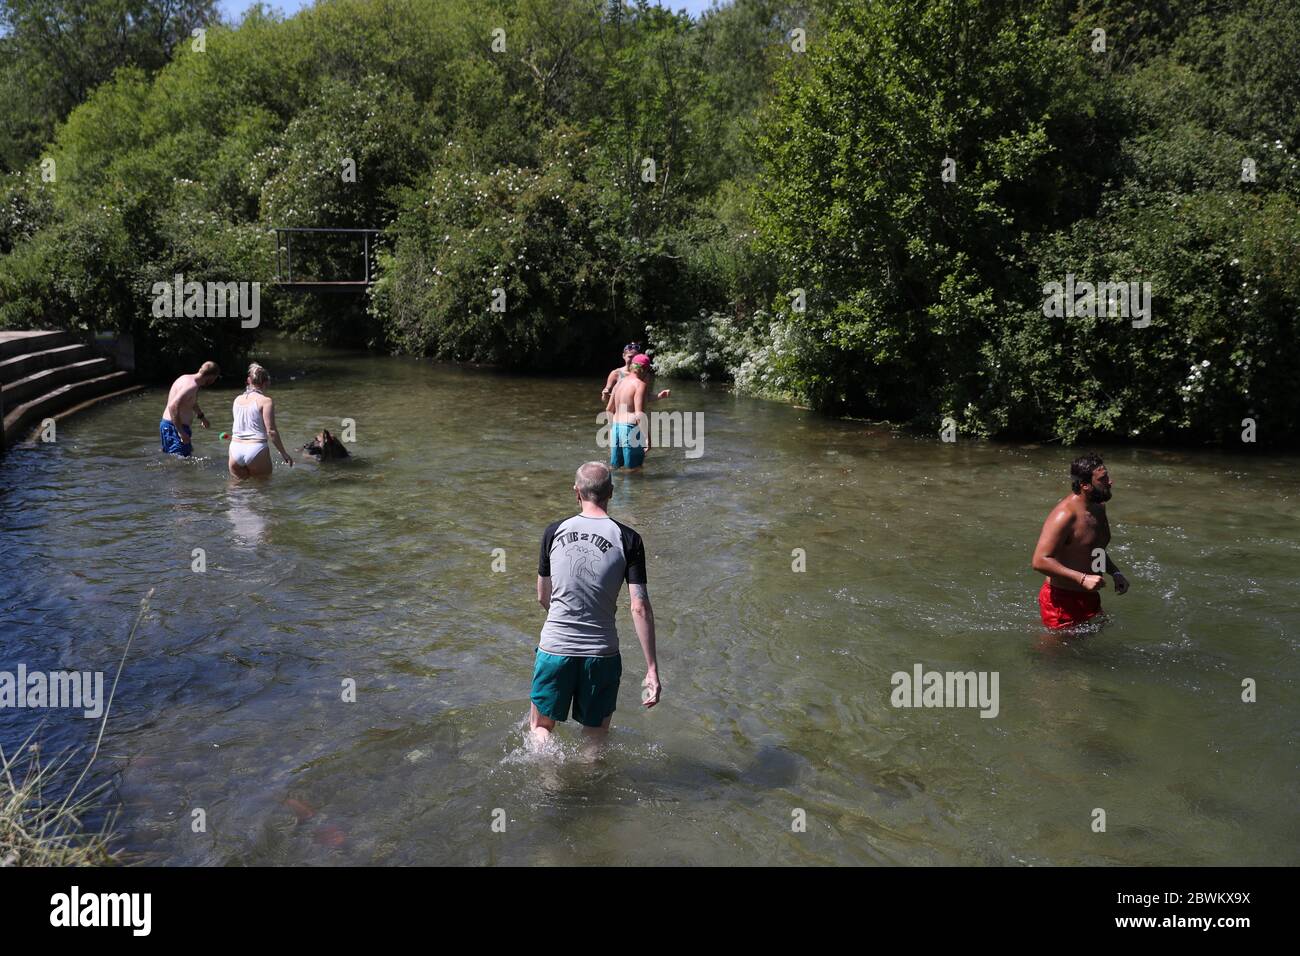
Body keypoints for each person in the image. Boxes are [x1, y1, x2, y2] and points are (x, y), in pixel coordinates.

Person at [530, 461, 661, 750]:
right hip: (601, 654)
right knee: (595, 737)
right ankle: (590, 792)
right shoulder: (629, 539)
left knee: (541, 728)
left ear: (576, 492)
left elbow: (543, 597)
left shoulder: (553, 532)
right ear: (611, 492)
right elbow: (639, 606)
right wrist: (651, 668)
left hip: (555, 649)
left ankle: (548, 787)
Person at [1031, 453, 1130, 629]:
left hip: (1089, 596)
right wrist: (1082, 578)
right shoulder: (1065, 516)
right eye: (1103, 479)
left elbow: (1095, 548)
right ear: (1085, 485)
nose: (1110, 481)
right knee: (1057, 655)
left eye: (1107, 476)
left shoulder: (1099, 507)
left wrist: (1115, 573)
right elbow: (1040, 561)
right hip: (1061, 601)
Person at [227, 363, 293, 478]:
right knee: (262, 491)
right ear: (266, 382)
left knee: (236, 490)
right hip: (256, 448)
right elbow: (271, 431)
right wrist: (283, 453)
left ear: (248, 380)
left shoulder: (237, 400)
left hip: (235, 448)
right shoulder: (266, 401)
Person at [160, 361, 220, 457]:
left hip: (168, 425)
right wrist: (181, 432)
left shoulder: (185, 378)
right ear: (212, 377)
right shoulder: (191, 386)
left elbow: (191, 402)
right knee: (180, 463)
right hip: (175, 427)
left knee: (178, 458)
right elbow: (172, 406)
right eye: (215, 378)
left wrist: (202, 417)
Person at [606, 353, 654, 469]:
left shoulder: (620, 383)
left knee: (616, 468)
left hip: (616, 428)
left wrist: (610, 431)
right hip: (630, 429)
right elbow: (639, 414)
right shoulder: (640, 385)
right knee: (634, 471)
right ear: (644, 369)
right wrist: (647, 439)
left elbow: (608, 409)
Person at [601, 341, 669, 404]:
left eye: (635, 357)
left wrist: (659, 396)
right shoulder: (615, 374)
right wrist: (605, 395)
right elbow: (605, 399)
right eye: (630, 357)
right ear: (623, 356)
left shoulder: (645, 375)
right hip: (619, 413)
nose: (633, 360)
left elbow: (645, 397)